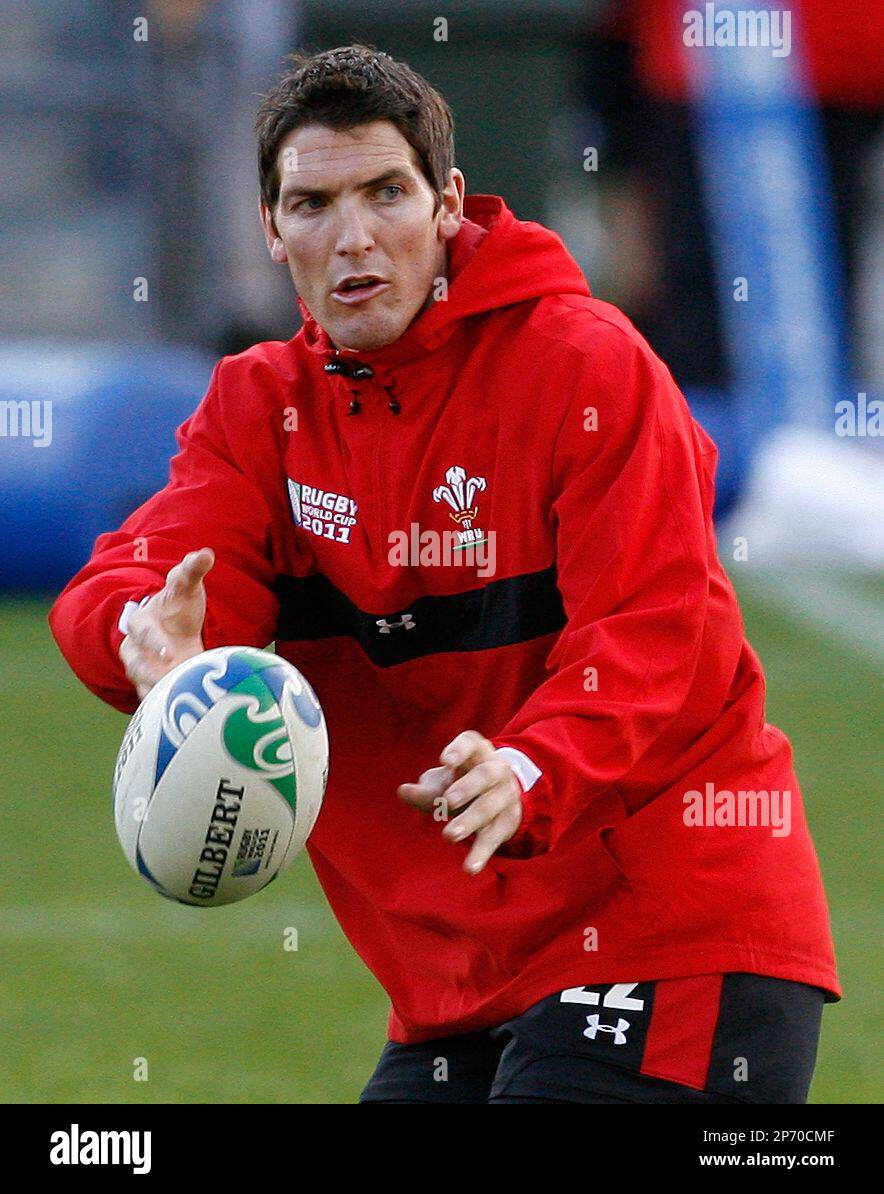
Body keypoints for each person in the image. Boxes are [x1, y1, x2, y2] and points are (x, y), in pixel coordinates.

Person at [49, 45, 839, 1104]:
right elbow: (149, 571)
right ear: (270, 232)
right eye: (313, 203)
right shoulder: (260, 409)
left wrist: (528, 770)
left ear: (446, 204)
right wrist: (146, 639)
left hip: (670, 934)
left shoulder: (582, 366)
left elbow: (653, 630)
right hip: (456, 985)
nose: (354, 236)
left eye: (385, 192)